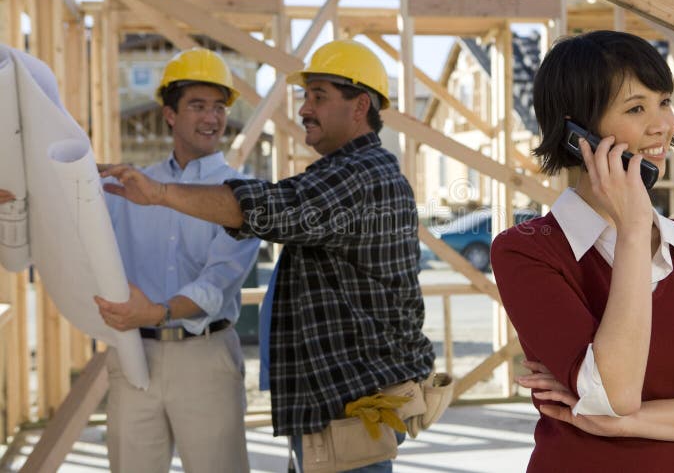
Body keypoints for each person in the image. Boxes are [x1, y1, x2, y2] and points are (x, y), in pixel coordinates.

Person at [100, 39, 436, 472]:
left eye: (319, 96)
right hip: (338, 401)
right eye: (305, 96)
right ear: (171, 114)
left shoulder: (361, 175)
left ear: (360, 106)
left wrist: (162, 195)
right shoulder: (347, 172)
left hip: (351, 403)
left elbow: (275, 209)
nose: (303, 109)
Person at [491, 31, 674, 472]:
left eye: (664, 101)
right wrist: (631, 232)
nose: (662, 124)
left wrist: (624, 423)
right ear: (578, 133)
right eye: (635, 108)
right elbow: (616, 391)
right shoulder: (526, 251)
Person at [92, 48, 260, 473]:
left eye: (219, 107)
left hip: (205, 356)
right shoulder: (130, 187)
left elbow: (221, 279)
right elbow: (77, 230)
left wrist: (161, 310)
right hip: (134, 354)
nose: (212, 118)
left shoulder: (242, 193)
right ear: (170, 115)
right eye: (198, 106)